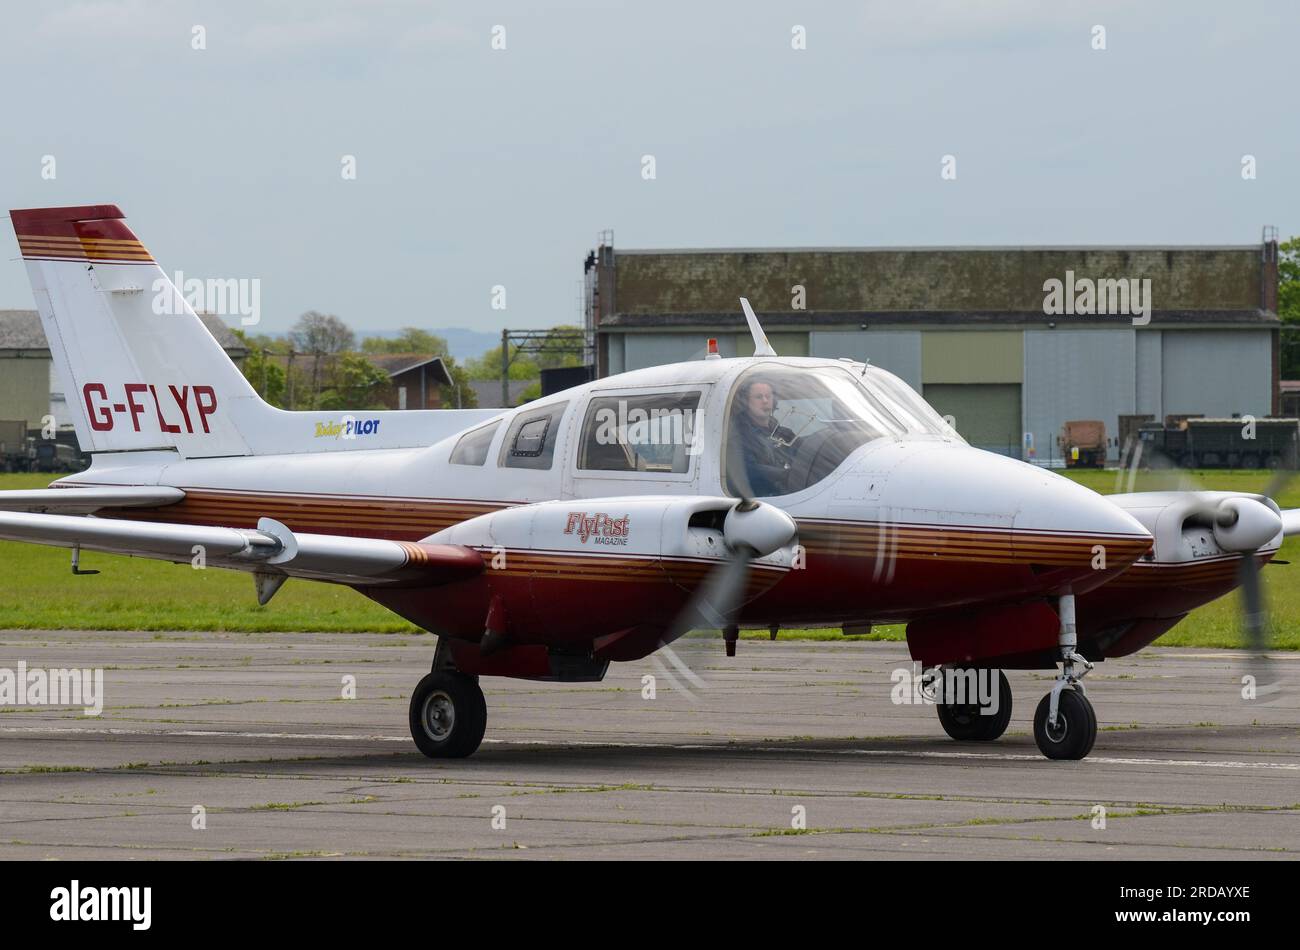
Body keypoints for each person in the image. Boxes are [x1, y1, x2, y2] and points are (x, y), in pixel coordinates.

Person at [730, 378, 796, 496]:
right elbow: (747, 469)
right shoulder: (738, 435)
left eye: (768, 396)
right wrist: (784, 475)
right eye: (759, 397)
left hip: (790, 493)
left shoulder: (785, 433)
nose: (765, 401)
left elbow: (803, 453)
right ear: (746, 402)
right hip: (760, 499)